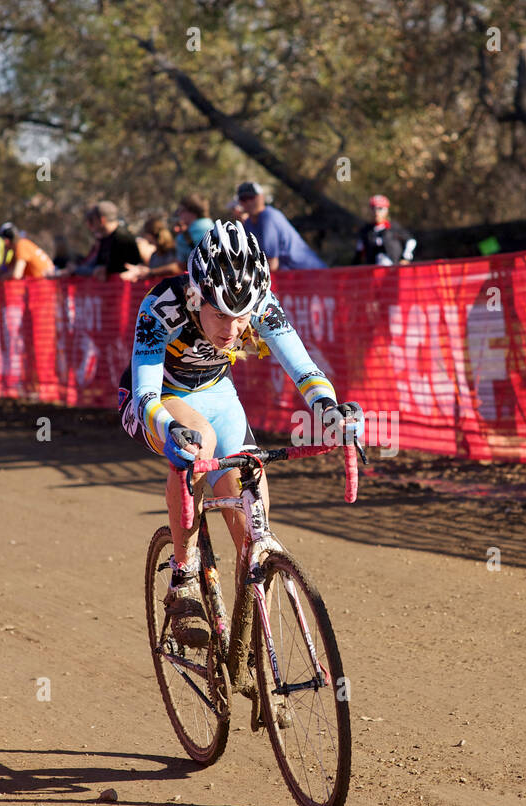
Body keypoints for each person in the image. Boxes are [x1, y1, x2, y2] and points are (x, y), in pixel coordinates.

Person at [117, 221, 360, 646]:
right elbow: (145, 393)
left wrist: (327, 408)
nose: (231, 329)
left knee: (253, 507)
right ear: (196, 295)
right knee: (200, 440)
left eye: (241, 315)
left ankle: (253, 655)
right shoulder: (163, 306)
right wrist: (173, 428)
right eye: (219, 314)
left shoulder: (261, 303)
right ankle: (184, 577)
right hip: (158, 400)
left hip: (216, 392)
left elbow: (303, 368)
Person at [236, 181, 326, 270]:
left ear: (261, 197)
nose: (248, 202)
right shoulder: (248, 223)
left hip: (311, 274)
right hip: (291, 277)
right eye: (243, 199)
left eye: (251, 197)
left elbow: (272, 265)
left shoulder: (267, 217)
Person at [84, 201, 143, 280]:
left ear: (102, 220)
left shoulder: (123, 238)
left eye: (93, 220)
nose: (90, 224)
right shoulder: (103, 239)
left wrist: (106, 270)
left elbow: (129, 265)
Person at [353, 194, 417, 266]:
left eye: (380, 208)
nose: (376, 212)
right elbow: (359, 253)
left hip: (394, 270)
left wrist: (406, 258)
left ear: (386, 210)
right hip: (373, 272)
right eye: (373, 208)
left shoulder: (393, 227)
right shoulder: (365, 231)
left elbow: (411, 241)